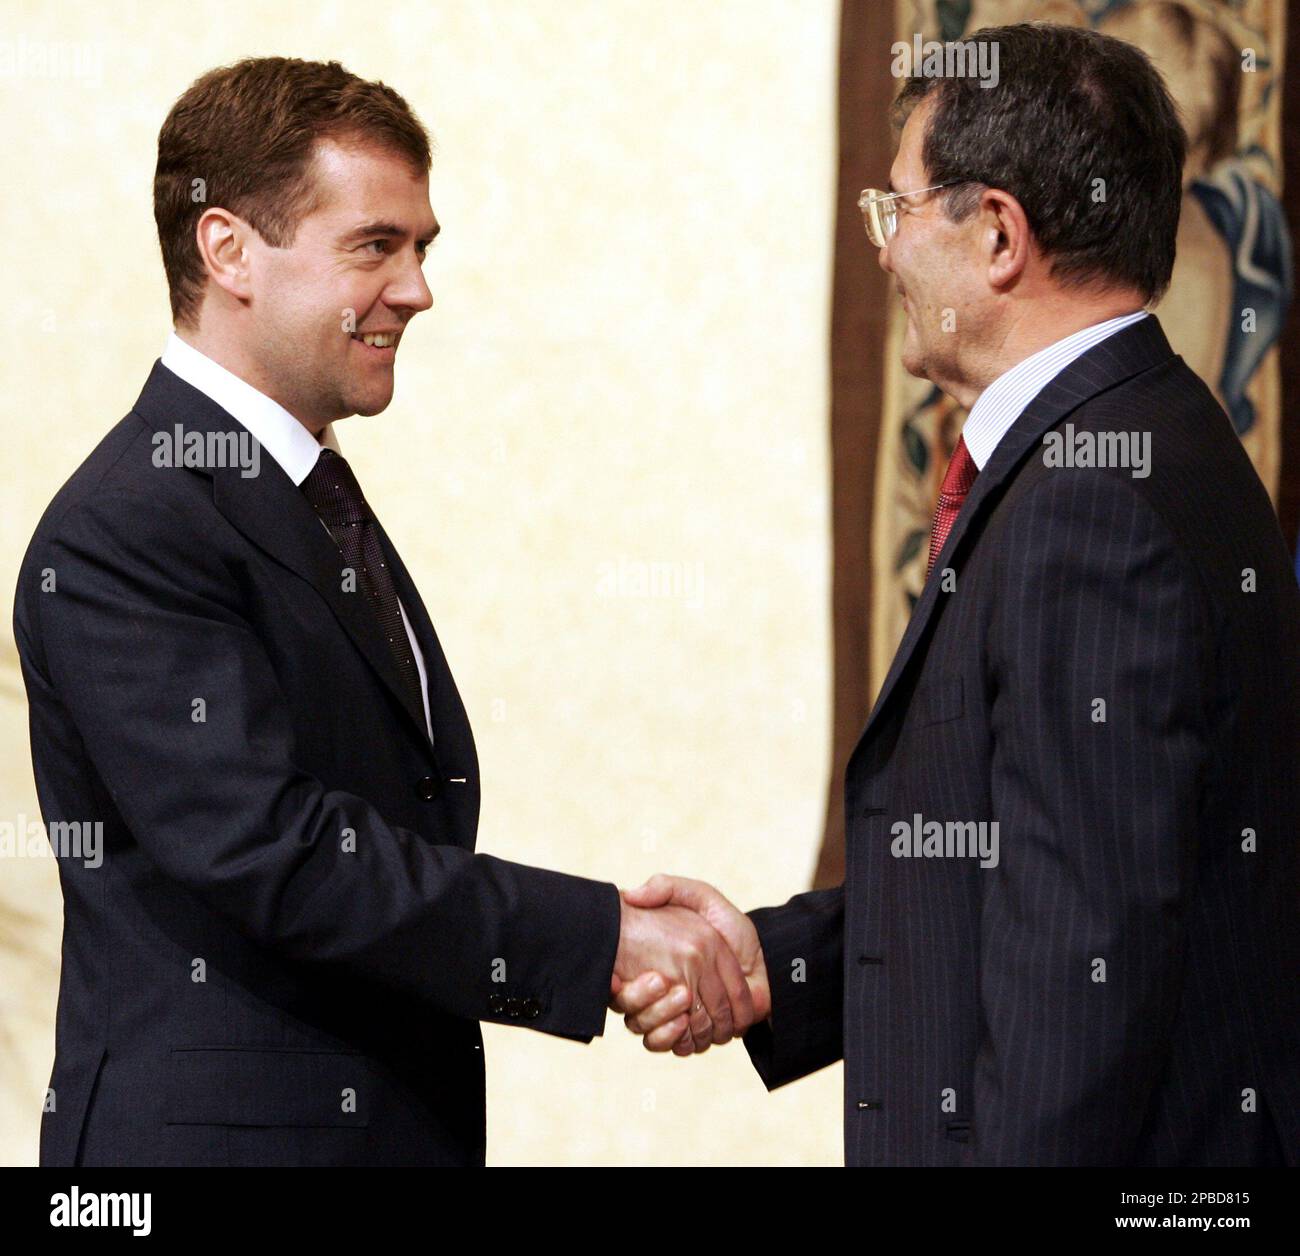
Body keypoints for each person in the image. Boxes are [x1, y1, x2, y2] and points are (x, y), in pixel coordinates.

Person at [13, 56, 762, 1168]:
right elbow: (277, 850)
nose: (416, 288)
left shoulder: (301, 489)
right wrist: (603, 935)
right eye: (375, 245)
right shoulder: (131, 522)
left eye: (421, 247)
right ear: (227, 252)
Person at [616, 23, 1300, 1167]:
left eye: (897, 210)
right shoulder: (1139, 437)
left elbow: (1083, 978)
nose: (883, 252)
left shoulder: (1090, 507)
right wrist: (771, 965)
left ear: (995, 234)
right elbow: (1016, 853)